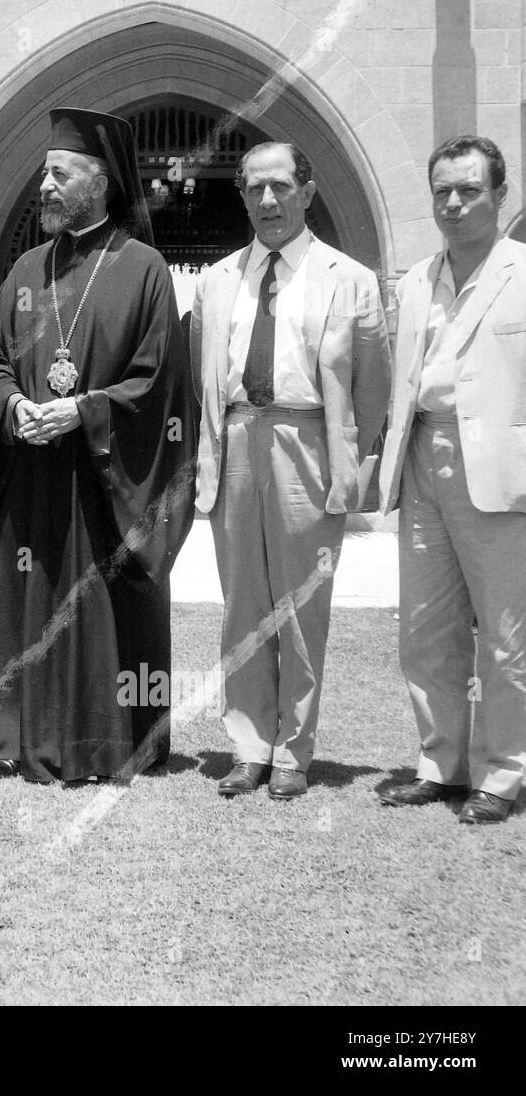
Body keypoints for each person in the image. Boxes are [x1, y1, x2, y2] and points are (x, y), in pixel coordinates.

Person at [0, 108, 195, 784]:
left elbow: (160, 383)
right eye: (43, 174)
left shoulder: (144, 270)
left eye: (60, 173)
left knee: (105, 604)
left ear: (102, 182)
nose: (45, 186)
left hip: (107, 484)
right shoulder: (27, 268)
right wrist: (17, 404)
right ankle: (15, 733)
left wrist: (84, 412)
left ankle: (107, 740)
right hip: (33, 480)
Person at [191, 142, 390, 799]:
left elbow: (373, 385)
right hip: (239, 442)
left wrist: (344, 453)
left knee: (302, 606)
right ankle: (249, 746)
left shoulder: (350, 279)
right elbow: (204, 379)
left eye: (279, 186)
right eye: (253, 189)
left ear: (306, 191)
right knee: (244, 604)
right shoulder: (217, 279)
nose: (266, 201)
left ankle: (293, 753)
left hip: (307, 442)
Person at [377, 135, 526, 824]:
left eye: (470, 189)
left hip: (500, 474)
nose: (455, 202)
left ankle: (505, 771)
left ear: (501, 195)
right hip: (424, 465)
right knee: (426, 632)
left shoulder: (522, 275)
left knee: (505, 635)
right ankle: (441, 763)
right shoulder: (413, 283)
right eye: (444, 190)